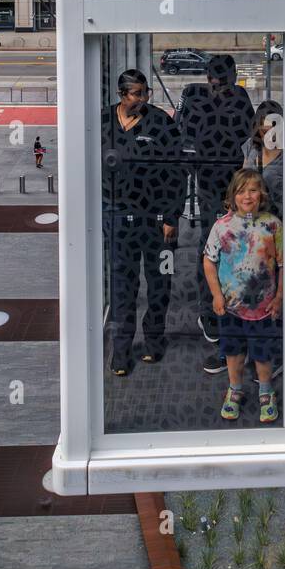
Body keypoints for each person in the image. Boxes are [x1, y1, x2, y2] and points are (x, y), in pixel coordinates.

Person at [100, 69, 185, 375]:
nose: (143, 98)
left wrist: (171, 216)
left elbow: (177, 171)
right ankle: (121, 352)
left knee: (159, 283)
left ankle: (154, 342)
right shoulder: (102, 122)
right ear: (122, 95)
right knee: (122, 286)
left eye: (145, 92)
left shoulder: (160, 122)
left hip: (156, 219)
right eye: (137, 94)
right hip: (117, 217)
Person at [177, 54, 256, 347]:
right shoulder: (194, 96)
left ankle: (233, 302)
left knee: (236, 244)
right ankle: (209, 306)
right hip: (210, 182)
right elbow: (181, 134)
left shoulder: (239, 97)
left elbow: (249, 134)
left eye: (223, 84)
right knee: (211, 245)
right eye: (214, 84)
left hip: (234, 183)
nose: (218, 89)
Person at [204, 99, 285, 377]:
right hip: (245, 226)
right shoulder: (251, 148)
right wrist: (233, 209)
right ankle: (233, 354)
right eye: (265, 128)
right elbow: (241, 178)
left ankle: (270, 356)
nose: (269, 133)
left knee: (269, 288)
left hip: (275, 226)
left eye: (275, 127)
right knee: (239, 281)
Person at [203, 169, 283, 424]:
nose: (247, 196)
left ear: (262, 194)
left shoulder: (272, 224)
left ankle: (266, 391)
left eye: (253, 190)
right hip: (230, 307)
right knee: (233, 351)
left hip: (264, 307)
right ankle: (234, 388)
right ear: (232, 196)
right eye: (241, 191)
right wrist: (216, 295)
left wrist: (279, 297)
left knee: (262, 353)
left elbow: (284, 264)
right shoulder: (221, 226)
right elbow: (209, 262)